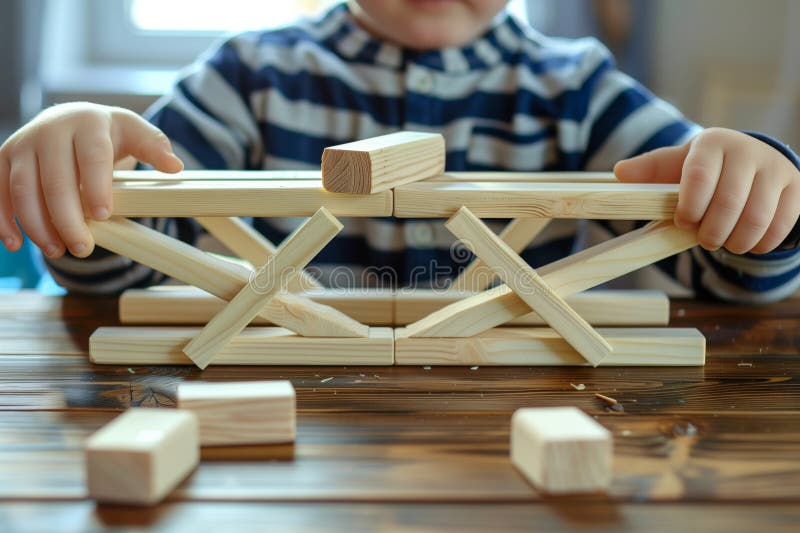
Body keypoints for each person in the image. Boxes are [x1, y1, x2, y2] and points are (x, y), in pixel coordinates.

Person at [1, 0, 798, 300]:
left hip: (503, 427)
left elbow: (721, 265)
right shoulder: (250, 73)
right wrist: (82, 183)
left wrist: (759, 188)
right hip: (293, 416)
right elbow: (127, 265)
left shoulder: (579, 84)